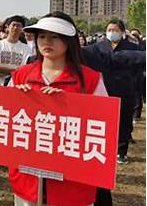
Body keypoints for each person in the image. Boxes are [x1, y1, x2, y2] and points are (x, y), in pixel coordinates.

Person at [9, 11, 108, 206]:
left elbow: (103, 126)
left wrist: (68, 105)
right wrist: (16, 100)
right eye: (42, 36)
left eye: (55, 37)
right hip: (28, 177)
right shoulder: (21, 75)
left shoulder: (90, 79)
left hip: (72, 180)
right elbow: (4, 120)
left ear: (69, 41)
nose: (47, 42)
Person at [83, 19, 140, 164]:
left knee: (124, 123)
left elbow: (138, 68)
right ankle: (104, 149)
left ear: (122, 32)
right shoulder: (97, 47)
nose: (112, 33)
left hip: (125, 90)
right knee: (104, 123)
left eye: (115, 30)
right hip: (103, 90)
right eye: (110, 30)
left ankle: (121, 152)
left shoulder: (132, 48)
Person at [0, 15, 32, 86]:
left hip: (17, 87)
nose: (15, 28)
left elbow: (26, 70)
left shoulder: (26, 49)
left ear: (22, 29)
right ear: (7, 27)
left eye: (19, 25)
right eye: (13, 25)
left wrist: (4, 69)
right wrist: (18, 69)